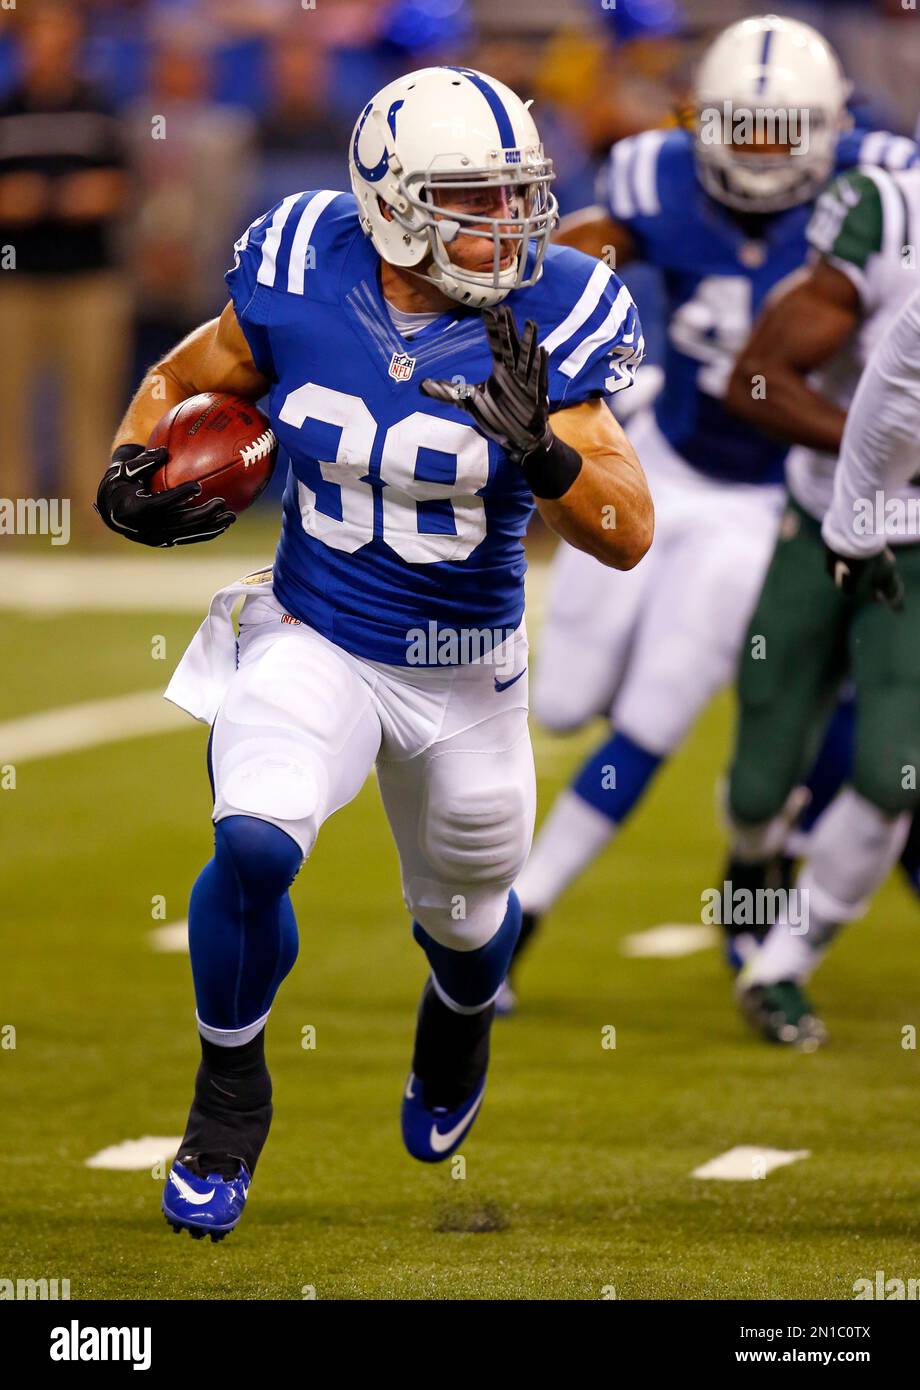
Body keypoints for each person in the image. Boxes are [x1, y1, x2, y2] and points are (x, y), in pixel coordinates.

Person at [95, 65, 653, 1240]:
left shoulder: (552, 308)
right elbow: (181, 378)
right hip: (319, 630)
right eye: (475, 199)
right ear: (394, 201)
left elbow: (625, 530)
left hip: (467, 671)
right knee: (253, 838)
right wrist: (130, 474)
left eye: (517, 196)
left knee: (465, 919)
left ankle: (456, 1021)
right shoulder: (302, 261)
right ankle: (226, 1095)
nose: (510, 226)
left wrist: (547, 458)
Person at [500, 13, 918, 1012]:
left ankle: (522, 911)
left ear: (828, 126)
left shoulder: (881, 181)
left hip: (763, 497)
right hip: (661, 461)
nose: (759, 154)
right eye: (739, 128)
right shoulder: (653, 174)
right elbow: (574, 264)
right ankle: (758, 879)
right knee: (560, 703)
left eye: (783, 133)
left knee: (660, 704)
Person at [720, 164, 920, 1046]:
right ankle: (750, 862)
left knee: (890, 773)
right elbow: (755, 380)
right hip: (825, 514)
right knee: (762, 768)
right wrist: (858, 495)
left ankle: (781, 968)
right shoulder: (890, 219)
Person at [0, 0, 129, 542]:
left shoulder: (98, 110)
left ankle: (93, 526)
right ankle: (13, 525)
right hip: (15, 282)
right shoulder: (7, 111)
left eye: (58, 34)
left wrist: (56, 198)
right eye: (39, 35)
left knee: (91, 408)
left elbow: (121, 187)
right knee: (8, 412)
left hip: (89, 281)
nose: (48, 45)